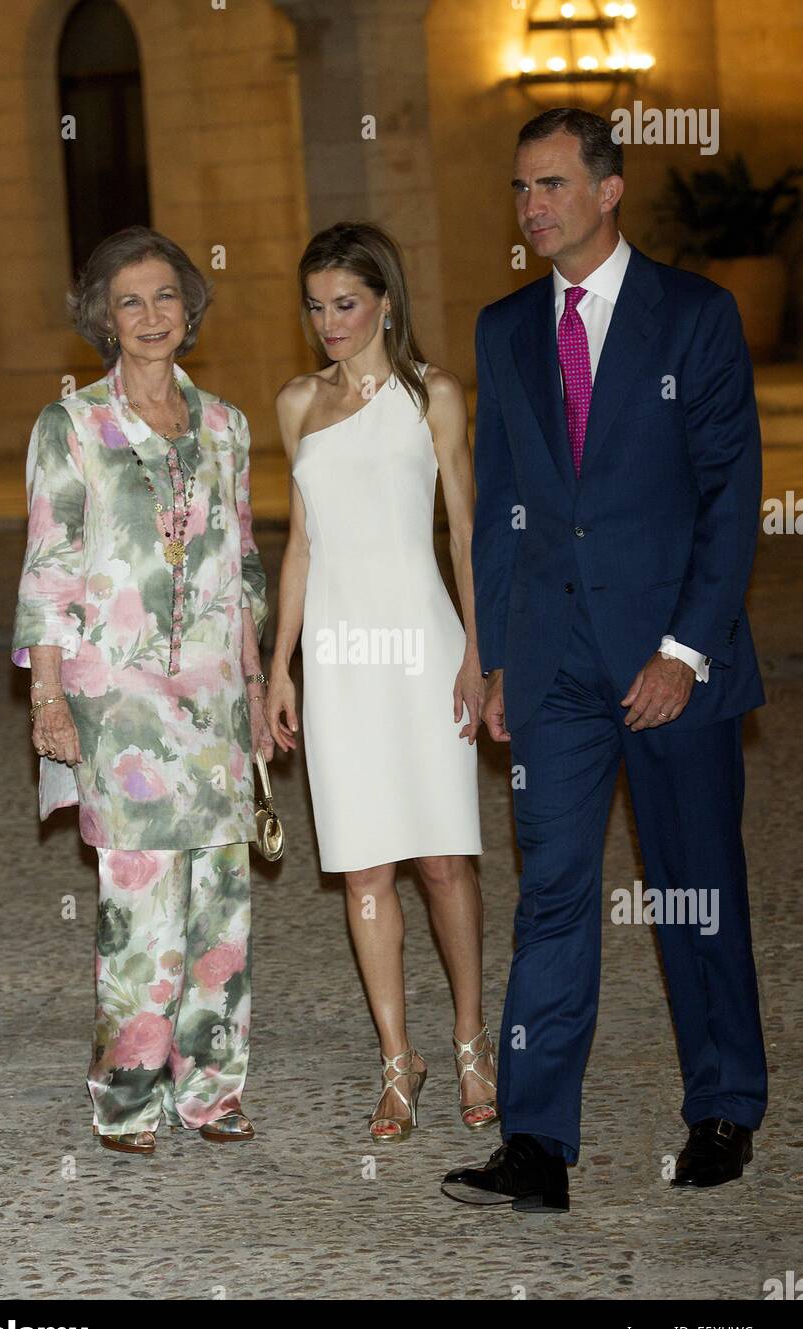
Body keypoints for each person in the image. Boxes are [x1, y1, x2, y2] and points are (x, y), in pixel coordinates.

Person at [442, 108, 767, 1213]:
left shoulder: (694, 315)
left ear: (608, 189)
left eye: (550, 185)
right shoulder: (503, 328)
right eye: (520, 189)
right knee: (553, 896)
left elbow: (731, 501)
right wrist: (488, 657)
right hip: (552, 668)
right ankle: (535, 1144)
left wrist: (683, 648)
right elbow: (498, 512)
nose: (531, 207)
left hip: (670, 661)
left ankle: (721, 1105)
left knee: (690, 892)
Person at [12, 226, 273, 1155]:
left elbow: (242, 565)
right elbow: (49, 567)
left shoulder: (227, 426)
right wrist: (47, 700)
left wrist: (257, 688)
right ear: (103, 318)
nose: (152, 316)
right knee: (139, 900)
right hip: (116, 699)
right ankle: (127, 1095)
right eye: (131, 301)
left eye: (166, 297)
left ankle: (212, 1090)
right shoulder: (71, 425)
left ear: (189, 309)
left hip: (215, 700)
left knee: (222, 904)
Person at [266, 222, 497, 1142]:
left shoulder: (433, 395)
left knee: (442, 858)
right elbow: (302, 542)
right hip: (338, 657)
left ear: (385, 301)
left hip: (422, 645)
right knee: (364, 864)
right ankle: (399, 1064)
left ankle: (473, 1042)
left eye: (346, 305)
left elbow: (467, 533)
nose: (329, 322)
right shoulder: (294, 403)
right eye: (317, 307)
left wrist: (480, 653)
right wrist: (278, 664)